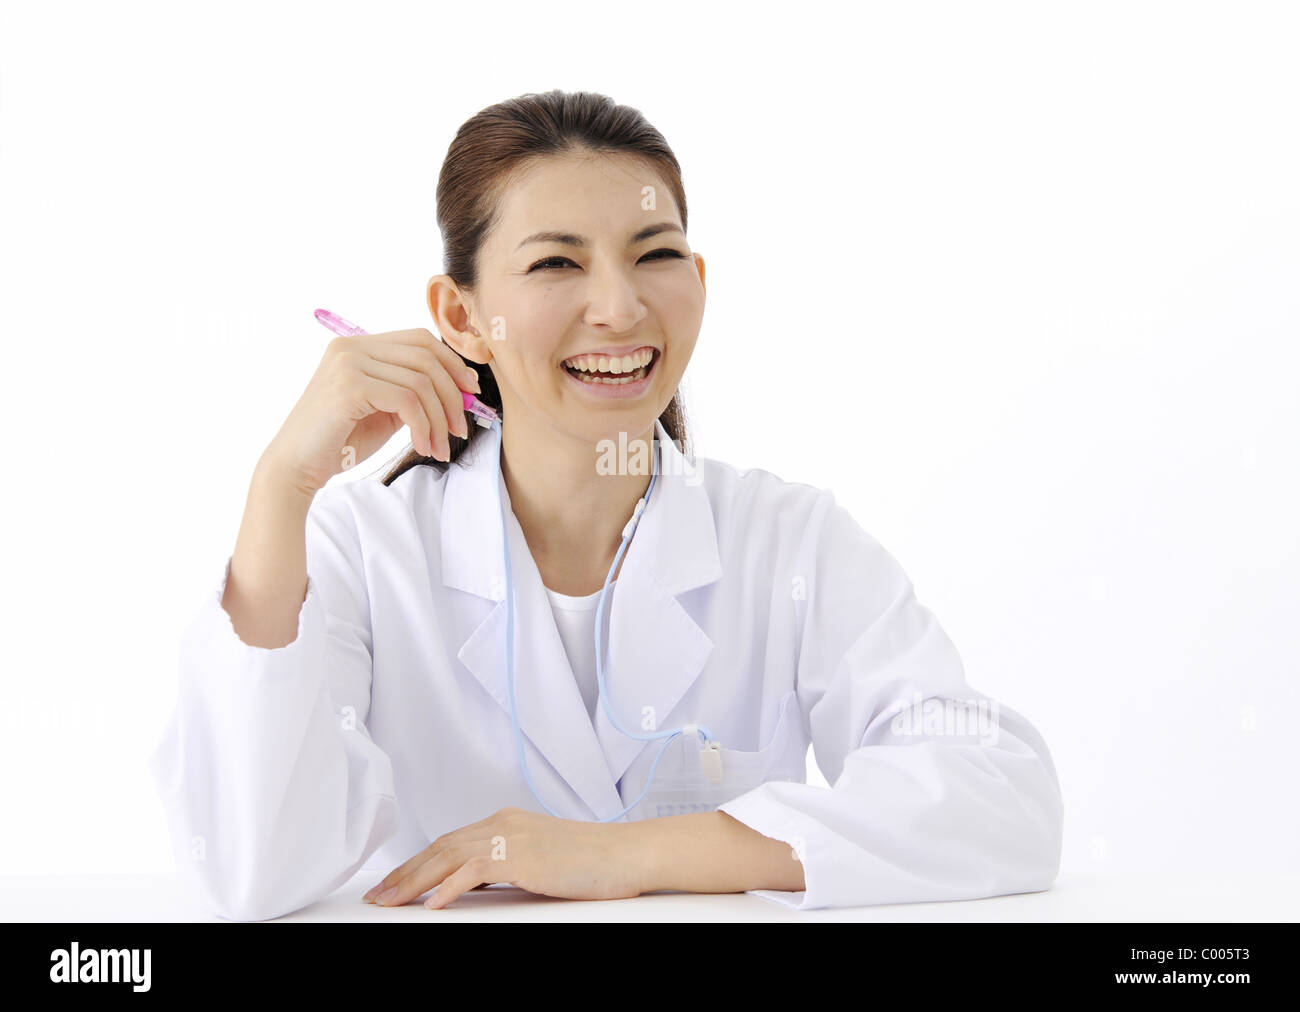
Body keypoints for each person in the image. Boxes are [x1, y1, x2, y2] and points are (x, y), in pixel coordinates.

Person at [147, 89, 1063, 921]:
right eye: (556, 264)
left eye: (654, 255)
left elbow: (1002, 797)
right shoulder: (362, 548)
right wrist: (280, 487)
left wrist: (621, 856)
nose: (619, 309)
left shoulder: (787, 543)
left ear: (698, 282)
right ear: (461, 317)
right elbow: (246, 867)